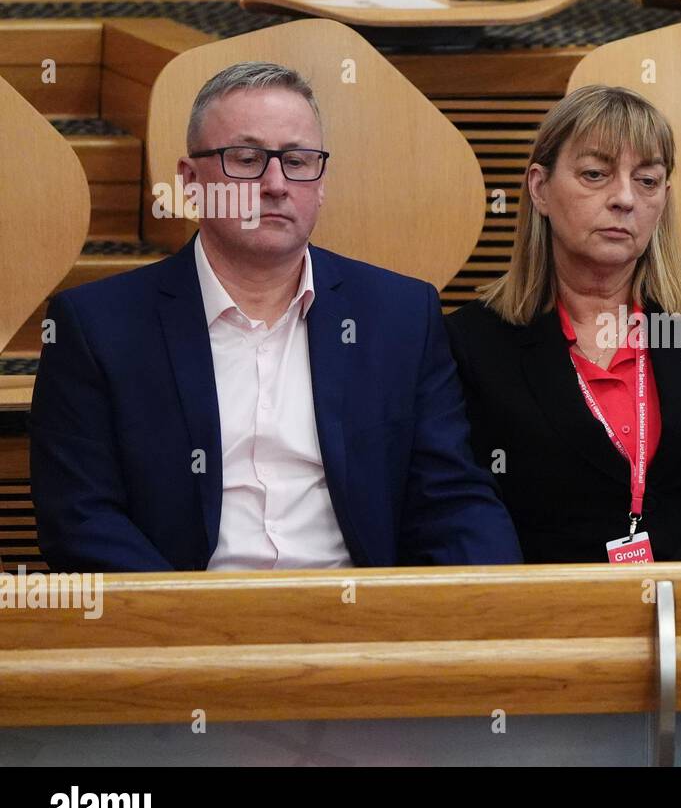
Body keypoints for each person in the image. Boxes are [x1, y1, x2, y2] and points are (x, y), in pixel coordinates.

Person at [30, 61, 522, 571]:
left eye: (298, 160)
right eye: (246, 159)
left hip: (355, 627)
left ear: (321, 179)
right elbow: (80, 519)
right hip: (185, 627)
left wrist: (486, 602)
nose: (275, 183)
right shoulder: (97, 327)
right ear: (190, 181)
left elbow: (451, 499)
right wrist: (189, 625)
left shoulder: (398, 317)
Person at [445, 84, 681, 563]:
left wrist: (680, 590)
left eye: (647, 181)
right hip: (559, 617)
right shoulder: (475, 341)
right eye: (595, 174)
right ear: (539, 187)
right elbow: (468, 510)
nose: (624, 198)